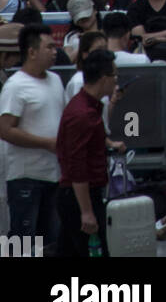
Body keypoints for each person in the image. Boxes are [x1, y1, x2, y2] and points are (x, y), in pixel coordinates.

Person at [0, 23, 64, 247]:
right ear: (32, 52)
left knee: (51, 242)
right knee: (23, 244)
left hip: (53, 174)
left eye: (55, 47)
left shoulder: (55, 80)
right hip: (25, 178)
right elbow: (5, 130)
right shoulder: (15, 86)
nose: (55, 51)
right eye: (49, 47)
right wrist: (46, 143)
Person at [56, 47, 117, 257]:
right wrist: (87, 211)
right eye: (114, 75)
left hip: (78, 193)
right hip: (80, 196)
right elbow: (77, 167)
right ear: (103, 78)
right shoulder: (83, 115)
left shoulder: (86, 106)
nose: (116, 80)